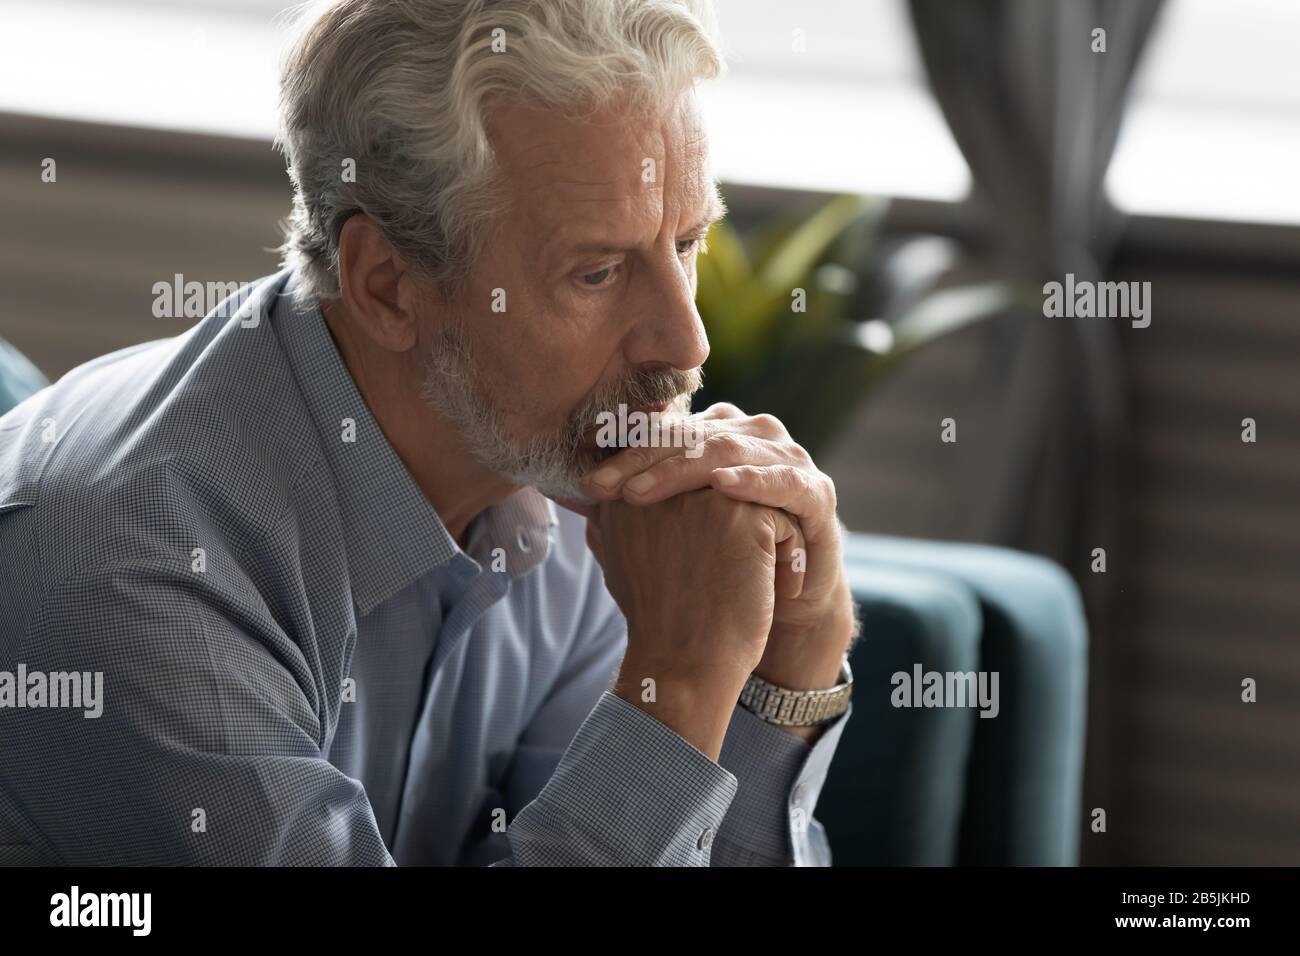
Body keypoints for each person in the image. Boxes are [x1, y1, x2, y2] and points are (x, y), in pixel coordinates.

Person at [0, 0, 857, 866]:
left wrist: (790, 665)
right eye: (597, 272)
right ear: (386, 286)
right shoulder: (137, 579)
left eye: (687, 242)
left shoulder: (580, 484)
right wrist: (677, 682)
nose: (687, 340)